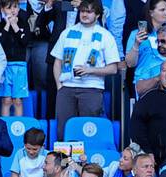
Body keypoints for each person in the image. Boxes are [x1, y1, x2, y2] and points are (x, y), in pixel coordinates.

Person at [50, 0, 120, 132]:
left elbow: (113, 68)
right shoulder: (67, 32)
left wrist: (90, 70)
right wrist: (59, 87)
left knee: (88, 132)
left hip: (92, 88)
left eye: (89, 11)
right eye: (82, 11)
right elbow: (57, 61)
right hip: (66, 88)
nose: (85, 14)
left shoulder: (106, 35)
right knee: (64, 131)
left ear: (98, 14)